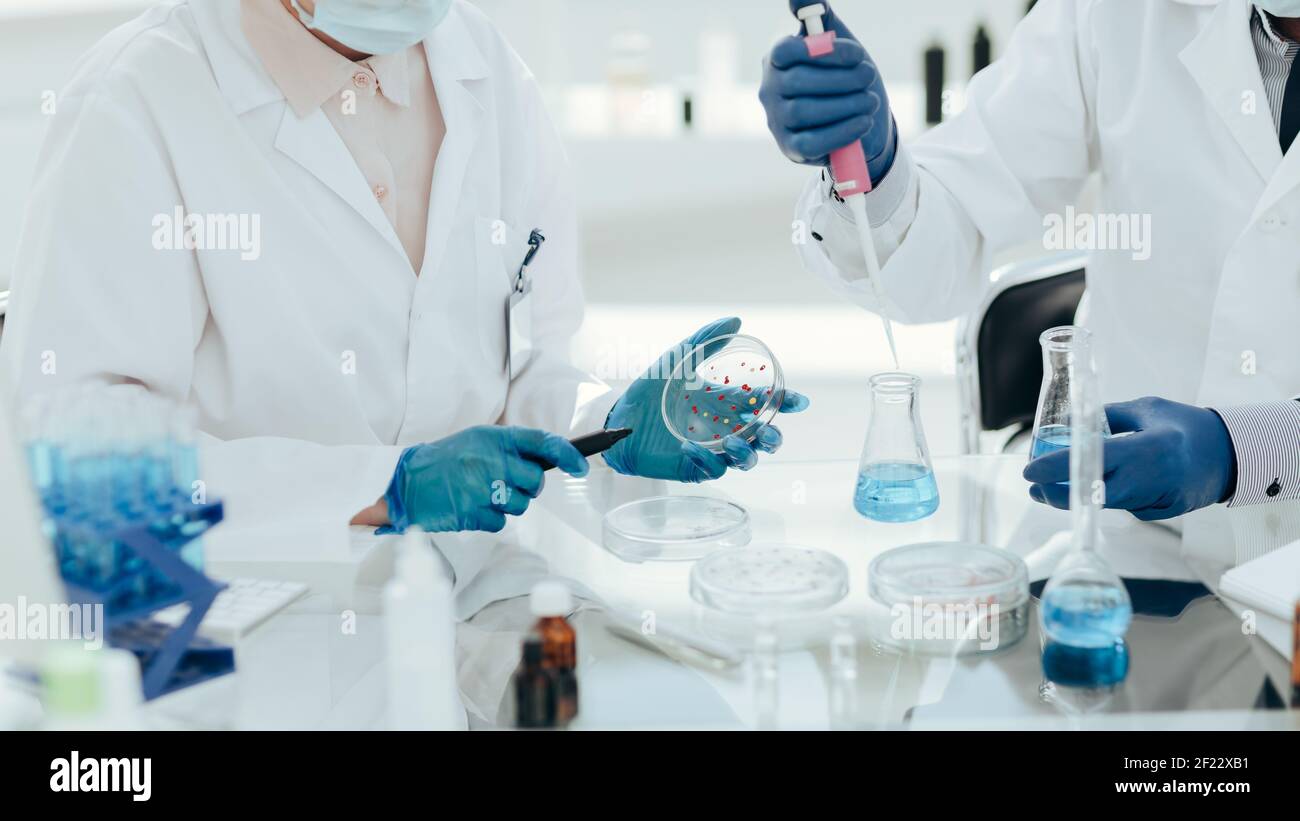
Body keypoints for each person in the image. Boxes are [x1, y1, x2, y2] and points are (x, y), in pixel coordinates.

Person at [1, 0, 808, 538]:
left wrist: (608, 432)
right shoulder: (139, 97)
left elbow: (515, 385)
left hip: (479, 644)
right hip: (258, 654)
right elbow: (76, 455)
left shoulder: (486, 71)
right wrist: (375, 489)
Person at [761, 0, 1300, 522]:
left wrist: (1246, 452)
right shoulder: (1115, 12)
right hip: (1126, 529)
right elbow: (962, 210)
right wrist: (877, 173)